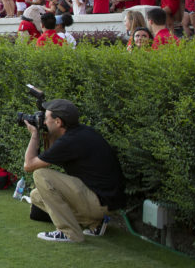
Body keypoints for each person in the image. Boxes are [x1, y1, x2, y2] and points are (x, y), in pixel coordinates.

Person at [22, 99, 124, 243]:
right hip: (106, 199)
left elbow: (29, 165)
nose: (43, 123)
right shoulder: (80, 132)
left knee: (40, 175)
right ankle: (95, 224)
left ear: (58, 122)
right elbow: (49, 156)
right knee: (36, 196)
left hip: (98, 200)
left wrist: (34, 135)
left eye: (46, 119)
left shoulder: (69, 141)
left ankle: (69, 233)